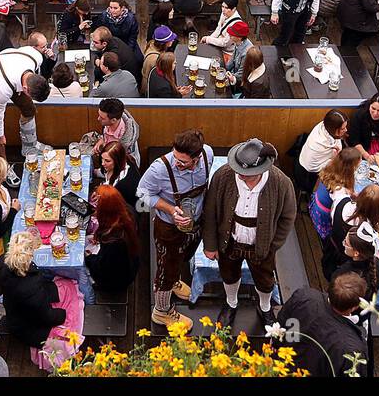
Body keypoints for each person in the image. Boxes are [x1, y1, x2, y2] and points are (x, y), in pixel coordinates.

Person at [201, 138, 296, 327]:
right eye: (239, 170)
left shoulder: (281, 183)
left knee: (265, 280)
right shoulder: (222, 176)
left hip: (262, 246)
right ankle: (231, 303)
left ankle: (265, 307)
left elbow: (288, 217)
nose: (241, 175)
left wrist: (272, 245)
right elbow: (209, 212)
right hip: (229, 242)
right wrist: (210, 245)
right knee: (228, 274)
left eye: (247, 173)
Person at [139, 129, 213, 331]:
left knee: (184, 257)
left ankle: (174, 281)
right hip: (168, 228)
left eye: (183, 162)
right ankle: (161, 311)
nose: (177, 163)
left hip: (195, 223)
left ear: (197, 158)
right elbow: (142, 193)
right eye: (175, 157)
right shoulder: (159, 169)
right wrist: (171, 209)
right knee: (165, 270)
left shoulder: (208, 154)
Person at [0, 229, 84, 371]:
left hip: (16, 308)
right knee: (67, 309)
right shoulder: (31, 288)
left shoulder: (4, 264)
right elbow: (47, 316)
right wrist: (62, 314)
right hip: (27, 326)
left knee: (60, 290)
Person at [274, 272, 370, 377]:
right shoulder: (352, 349)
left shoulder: (304, 297)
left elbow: (279, 327)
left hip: (280, 367)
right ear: (355, 306)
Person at [0, 43, 51, 162]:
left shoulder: (36, 57)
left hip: (10, 72)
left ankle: (29, 147)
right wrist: (0, 135)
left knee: (29, 109)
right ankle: (3, 167)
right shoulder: (2, 89)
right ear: (25, 89)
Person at [85, 184, 141, 296]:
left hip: (117, 280)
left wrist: (89, 257)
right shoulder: (127, 211)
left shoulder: (114, 242)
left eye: (97, 205)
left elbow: (103, 268)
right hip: (127, 263)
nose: (94, 207)